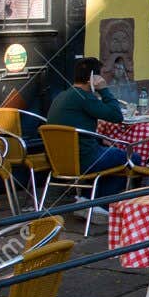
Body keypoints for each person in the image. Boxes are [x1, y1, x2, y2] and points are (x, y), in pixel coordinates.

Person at [47, 57, 137, 197]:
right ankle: (102, 203)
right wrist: (104, 90)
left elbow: (76, 126)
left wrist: (100, 140)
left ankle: (88, 199)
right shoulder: (84, 97)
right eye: (100, 75)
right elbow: (116, 116)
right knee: (133, 158)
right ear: (92, 78)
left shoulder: (62, 96)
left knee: (109, 154)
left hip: (59, 161)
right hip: (85, 160)